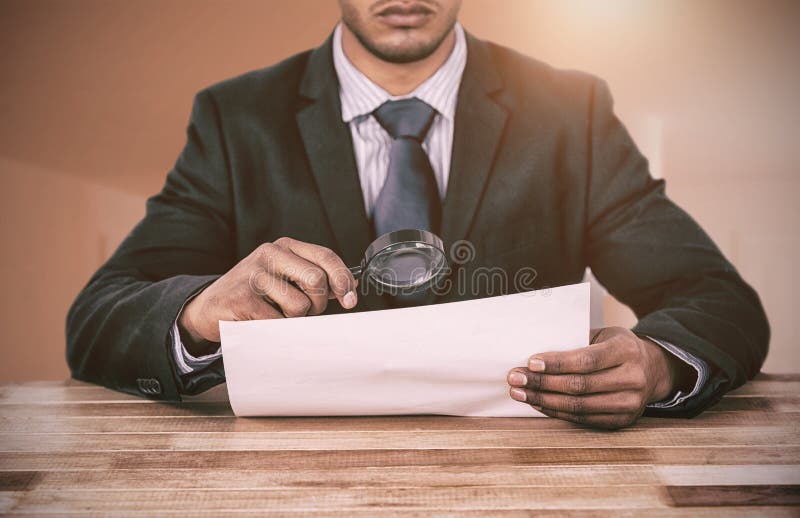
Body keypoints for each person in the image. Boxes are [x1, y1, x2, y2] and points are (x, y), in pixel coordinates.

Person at [66, 0, 769, 428]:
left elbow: (718, 301)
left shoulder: (570, 113)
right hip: (282, 493)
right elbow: (99, 315)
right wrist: (196, 313)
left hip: (529, 483)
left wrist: (656, 364)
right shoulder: (235, 118)